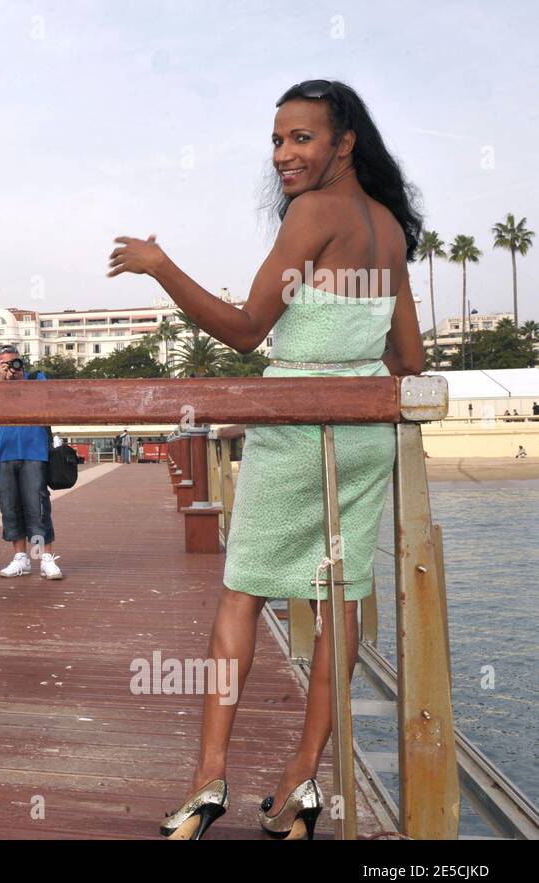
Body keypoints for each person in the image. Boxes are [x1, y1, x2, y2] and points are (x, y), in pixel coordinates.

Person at [110, 79, 426, 839]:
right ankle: (299, 782)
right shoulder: (386, 228)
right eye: (277, 140)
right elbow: (409, 360)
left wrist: (161, 265)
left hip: (290, 430)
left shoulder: (313, 215)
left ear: (343, 142)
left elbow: (249, 328)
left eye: (302, 139)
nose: (284, 154)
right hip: (360, 439)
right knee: (338, 602)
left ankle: (207, 780)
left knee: (240, 597)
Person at [0, 346, 62, 580]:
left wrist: (19, 378)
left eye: (15, 362)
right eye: (5, 364)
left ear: (23, 362)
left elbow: (46, 397)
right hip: (3, 453)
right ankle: (21, 557)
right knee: (9, 507)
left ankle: (44, 557)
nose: (11, 367)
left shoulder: (36, 378)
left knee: (37, 506)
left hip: (33, 450)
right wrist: (2, 381)